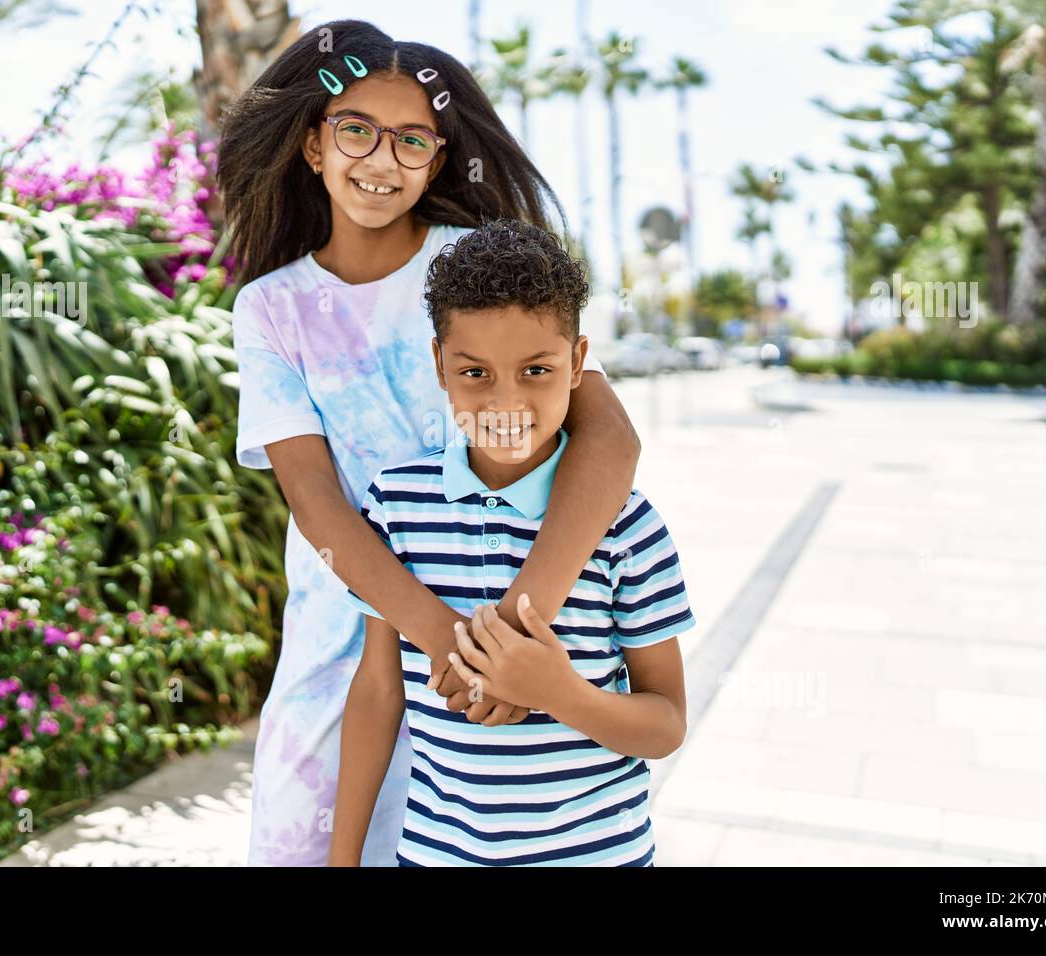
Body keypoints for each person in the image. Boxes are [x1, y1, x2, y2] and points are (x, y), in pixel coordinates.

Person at [220, 19, 641, 866]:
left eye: (413, 139)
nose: (382, 160)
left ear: (441, 159)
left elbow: (611, 440)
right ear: (311, 144)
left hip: (508, 639)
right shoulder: (270, 308)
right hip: (344, 654)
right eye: (356, 131)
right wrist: (450, 641)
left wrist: (512, 636)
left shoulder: (475, 265)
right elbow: (317, 504)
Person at [328, 219, 694, 866]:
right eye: (475, 373)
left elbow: (665, 722)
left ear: (578, 364)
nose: (505, 401)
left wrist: (557, 690)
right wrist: (343, 857)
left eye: (536, 370)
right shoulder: (396, 505)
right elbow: (379, 691)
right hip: (438, 855)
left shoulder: (628, 528)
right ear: (439, 366)